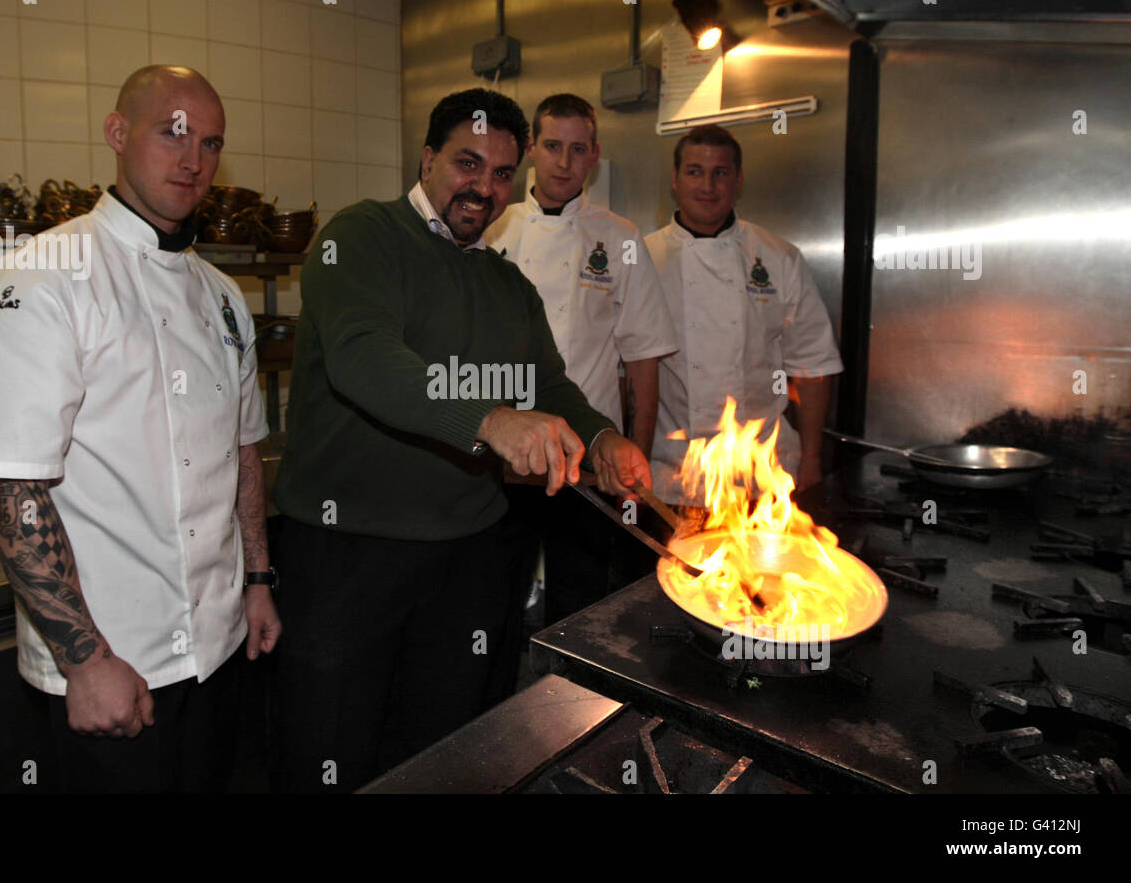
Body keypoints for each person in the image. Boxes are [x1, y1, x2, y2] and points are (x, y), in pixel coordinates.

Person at [269, 87, 652, 793]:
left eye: (502, 173)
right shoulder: (361, 238)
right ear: (426, 157)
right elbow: (365, 359)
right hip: (350, 549)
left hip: (468, 557)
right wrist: (490, 420)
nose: (484, 187)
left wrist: (599, 438)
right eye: (467, 163)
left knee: (446, 748)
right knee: (331, 747)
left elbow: (550, 386)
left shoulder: (508, 285)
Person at [0, 65, 281, 793]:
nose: (192, 158)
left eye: (210, 142)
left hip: (221, 647)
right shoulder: (41, 276)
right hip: (114, 665)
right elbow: (14, 487)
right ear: (116, 133)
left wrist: (258, 581)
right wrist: (84, 660)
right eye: (172, 132)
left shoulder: (222, 295)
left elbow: (242, 453)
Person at [484, 94, 677, 652]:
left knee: (583, 610)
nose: (563, 162)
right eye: (551, 147)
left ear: (594, 155)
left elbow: (642, 359)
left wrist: (633, 469)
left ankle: (579, 708)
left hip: (588, 464)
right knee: (496, 602)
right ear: (529, 151)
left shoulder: (621, 238)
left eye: (577, 149)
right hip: (504, 459)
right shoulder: (495, 227)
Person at [645, 125, 843, 508]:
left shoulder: (778, 257)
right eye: (694, 171)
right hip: (670, 473)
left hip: (764, 472)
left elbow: (813, 366)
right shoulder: (643, 259)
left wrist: (812, 461)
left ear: (739, 180)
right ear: (674, 179)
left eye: (720, 172)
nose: (707, 185)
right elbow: (627, 372)